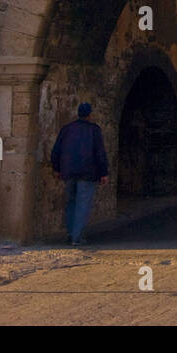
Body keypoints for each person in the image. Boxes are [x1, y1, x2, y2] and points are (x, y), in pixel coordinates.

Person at [50, 102, 109, 246]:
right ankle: (77, 237)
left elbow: (56, 150)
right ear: (90, 115)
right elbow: (100, 153)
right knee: (83, 204)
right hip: (88, 172)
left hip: (69, 171)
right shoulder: (94, 130)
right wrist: (104, 172)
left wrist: (57, 169)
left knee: (71, 202)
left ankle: (70, 233)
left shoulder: (67, 129)